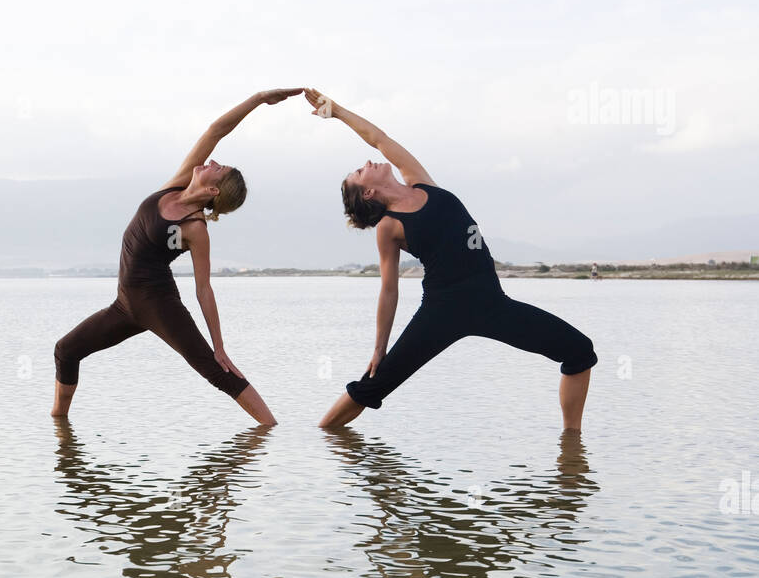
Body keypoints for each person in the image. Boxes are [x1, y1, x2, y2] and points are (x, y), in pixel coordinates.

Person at [304, 88, 597, 431]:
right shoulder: (389, 226)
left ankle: (571, 443)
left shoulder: (421, 183)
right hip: (441, 311)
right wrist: (379, 348)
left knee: (579, 351)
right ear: (367, 192)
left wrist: (337, 111)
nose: (367, 162)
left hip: (493, 305)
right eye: (359, 171)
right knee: (374, 384)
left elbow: (378, 138)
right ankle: (324, 437)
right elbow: (388, 290)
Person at [53, 90, 302, 424]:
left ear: (214, 190)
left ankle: (271, 429)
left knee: (216, 370)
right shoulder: (176, 185)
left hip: (160, 305)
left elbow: (204, 289)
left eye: (219, 168)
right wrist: (257, 100)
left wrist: (220, 345)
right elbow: (215, 131)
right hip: (124, 306)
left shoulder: (194, 227)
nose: (212, 161)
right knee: (66, 350)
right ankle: (59, 426)